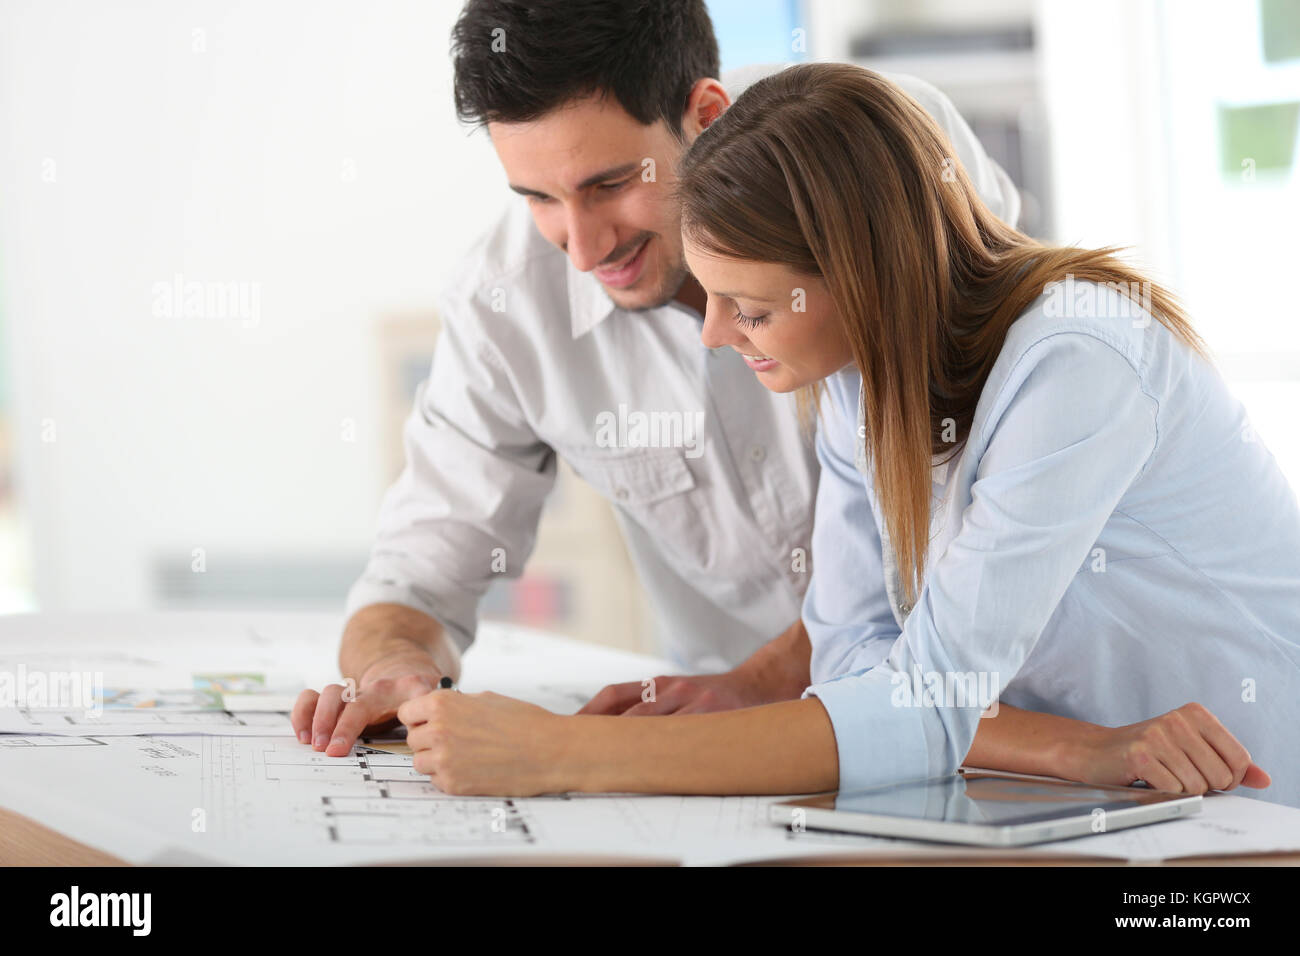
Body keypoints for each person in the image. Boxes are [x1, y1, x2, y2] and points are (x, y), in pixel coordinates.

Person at [390, 62, 1295, 807]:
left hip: (1257, 799)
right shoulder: (859, 388)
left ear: (861, 276)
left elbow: (921, 702)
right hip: (1121, 798)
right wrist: (1076, 749)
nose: (713, 335)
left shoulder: (1077, 361)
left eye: (745, 308)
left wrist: (553, 756)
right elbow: (856, 659)